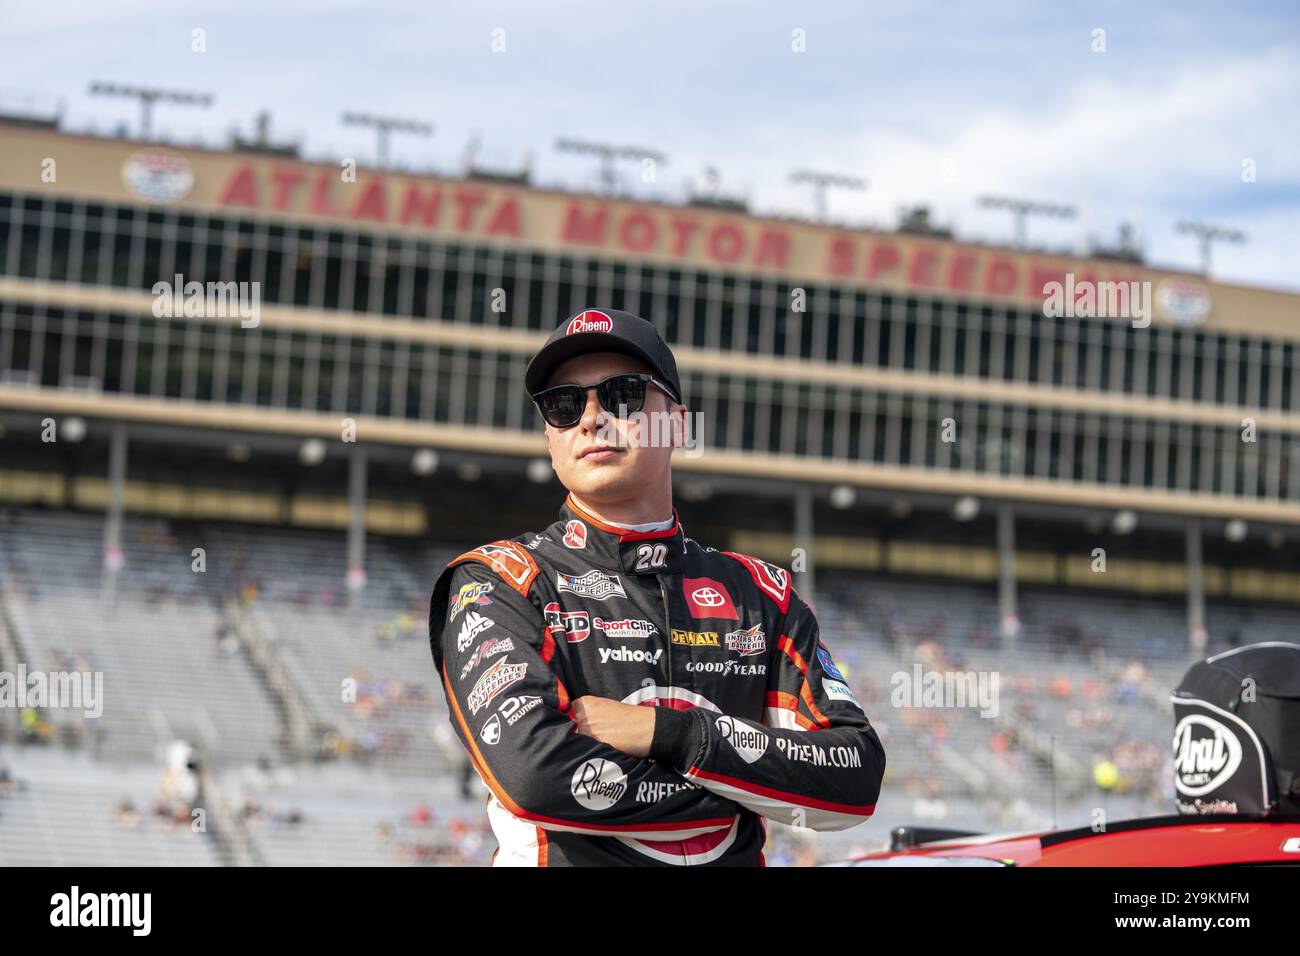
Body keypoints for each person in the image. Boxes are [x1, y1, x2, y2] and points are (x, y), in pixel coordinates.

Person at [428, 307, 886, 866]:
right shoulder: (499, 582)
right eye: (564, 406)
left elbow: (855, 774)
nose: (591, 419)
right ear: (550, 439)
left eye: (621, 395)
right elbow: (535, 775)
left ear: (678, 423)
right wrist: (740, 795)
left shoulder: (763, 596)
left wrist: (669, 733)